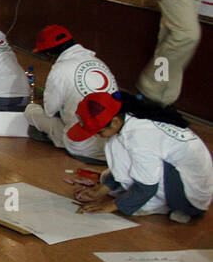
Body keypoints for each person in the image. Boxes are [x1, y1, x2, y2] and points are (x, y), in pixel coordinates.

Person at [68, 92, 212, 223]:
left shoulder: (139, 136)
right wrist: (100, 190)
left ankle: (153, 205)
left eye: (98, 132)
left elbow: (147, 187)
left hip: (188, 200)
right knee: (115, 147)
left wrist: (111, 206)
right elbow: (122, 167)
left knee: (118, 148)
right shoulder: (130, 117)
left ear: (116, 121)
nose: (95, 136)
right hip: (180, 178)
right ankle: (142, 199)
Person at [24, 25, 118, 163]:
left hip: (84, 145)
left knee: (31, 111)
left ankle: (54, 137)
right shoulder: (99, 63)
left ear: (49, 53)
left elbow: (50, 111)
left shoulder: (59, 70)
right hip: (112, 140)